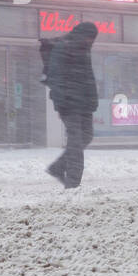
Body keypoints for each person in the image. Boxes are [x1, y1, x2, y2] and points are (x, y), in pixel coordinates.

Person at [43, 22, 99, 189]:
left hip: (84, 103)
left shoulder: (84, 49)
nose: (91, 41)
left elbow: (88, 77)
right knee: (75, 141)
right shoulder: (63, 48)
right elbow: (56, 77)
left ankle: (57, 167)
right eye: (90, 37)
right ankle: (73, 182)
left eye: (93, 38)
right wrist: (62, 104)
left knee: (86, 136)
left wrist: (93, 100)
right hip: (70, 103)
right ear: (82, 35)